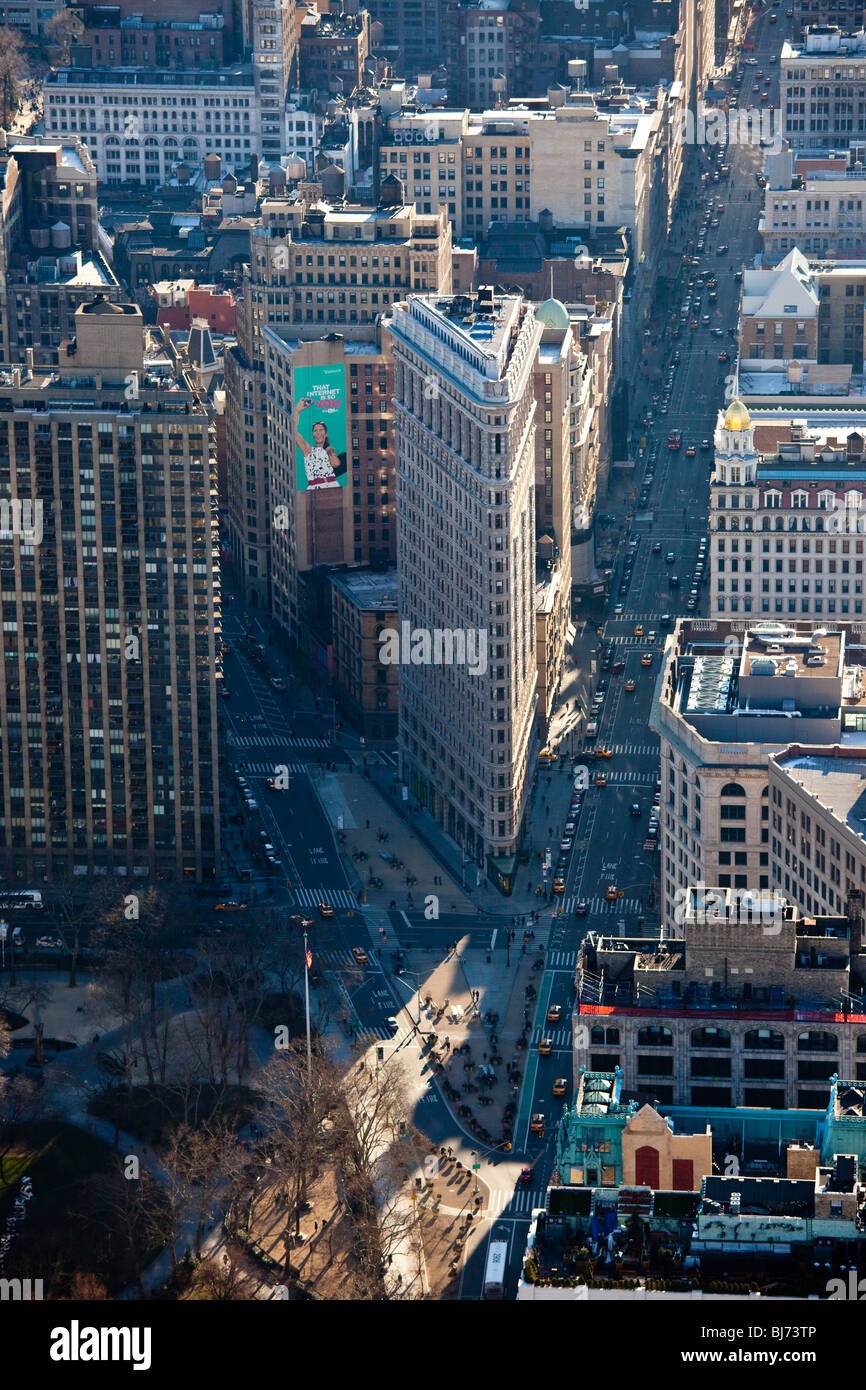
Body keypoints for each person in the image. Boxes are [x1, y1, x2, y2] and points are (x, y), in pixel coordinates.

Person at [295, 398, 346, 488]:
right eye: (315, 430)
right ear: (313, 434)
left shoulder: (330, 450)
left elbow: (336, 464)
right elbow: (294, 434)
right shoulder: (309, 450)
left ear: (326, 434)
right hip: (314, 486)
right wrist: (297, 412)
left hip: (332, 485)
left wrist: (329, 452)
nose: (318, 433)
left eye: (321, 430)